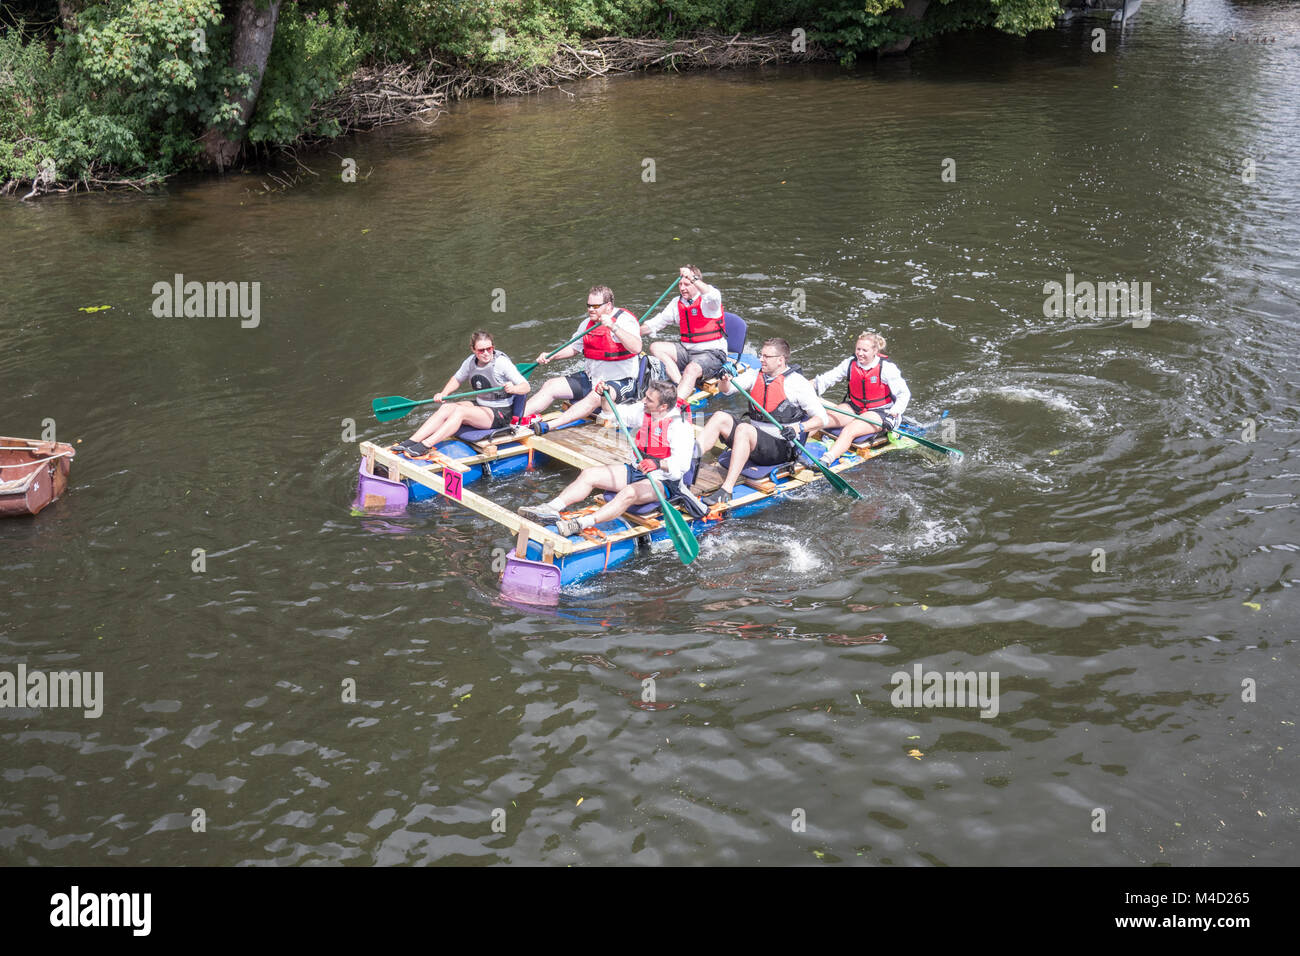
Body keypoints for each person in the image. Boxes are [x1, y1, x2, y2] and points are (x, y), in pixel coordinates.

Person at [518, 381, 706, 536]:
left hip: (663, 481)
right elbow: (611, 413)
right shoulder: (643, 410)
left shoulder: (680, 427)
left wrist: (657, 463)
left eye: (649, 399)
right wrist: (604, 395)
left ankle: (580, 524)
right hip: (637, 469)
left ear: (663, 406)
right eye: (646, 395)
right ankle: (550, 509)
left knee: (628, 493)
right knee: (589, 475)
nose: (643, 400)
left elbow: (680, 466)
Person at [694, 338, 825, 505]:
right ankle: (688, 465)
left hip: (780, 449)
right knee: (720, 417)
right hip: (757, 444)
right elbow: (726, 391)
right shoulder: (755, 375)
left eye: (766, 356)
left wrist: (799, 427)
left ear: (780, 360)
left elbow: (822, 418)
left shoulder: (798, 384)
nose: (761, 359)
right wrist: (724, 380)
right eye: (761, 355)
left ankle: (726, 490)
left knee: (743, 429)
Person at [519, 285, 642, 434]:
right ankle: (515, 419)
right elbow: (573, 348)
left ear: (608, 306)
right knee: (551, 385)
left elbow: (636, 348)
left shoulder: (625, 321)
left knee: (596, 395)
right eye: (589, 306)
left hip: (621, 381)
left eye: (596, 306)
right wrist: (551, 355)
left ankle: (550, 426)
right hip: (591, 378)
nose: (591, 310)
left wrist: (613, 327)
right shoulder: (586, 324)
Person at [393, 330, 530, 456]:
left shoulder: (502, 363)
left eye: (489, 349)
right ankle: (412, 441)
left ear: (493, 347)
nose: (486, 353)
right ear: (473, 350)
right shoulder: (470, 362)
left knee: (460, 412)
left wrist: (513, 389)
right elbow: (457, 379)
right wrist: (443, 393)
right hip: (482, 405)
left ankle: (425, 445)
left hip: (501, 413)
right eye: (481, 350)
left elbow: (525, 386)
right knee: (447, 407)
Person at [811, 332, 910, 464]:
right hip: (855, 406)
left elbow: (904, 394)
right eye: (858, 349)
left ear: (875, 350)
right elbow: (826, 379)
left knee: (849, 430)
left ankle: (826, 460)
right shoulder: (850, 363)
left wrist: (894, 413)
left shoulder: (887, 368)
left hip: (879, 412)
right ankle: (792, 449)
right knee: (819, 420)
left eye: (865, 350)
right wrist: (805, 387)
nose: (860, 353)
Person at [641, 265, 727, 406]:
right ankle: (682, 384)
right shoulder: (677, 302)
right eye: (680, 284)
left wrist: (692, 277)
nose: (682, 288)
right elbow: (657, 323)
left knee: (691, 369)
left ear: (696, 282)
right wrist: (633, 333)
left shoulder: (709, 302)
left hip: (712, 353)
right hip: (687, 350)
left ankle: (675, 405)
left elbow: (714, 295)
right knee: (656, 347)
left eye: (687, 284)